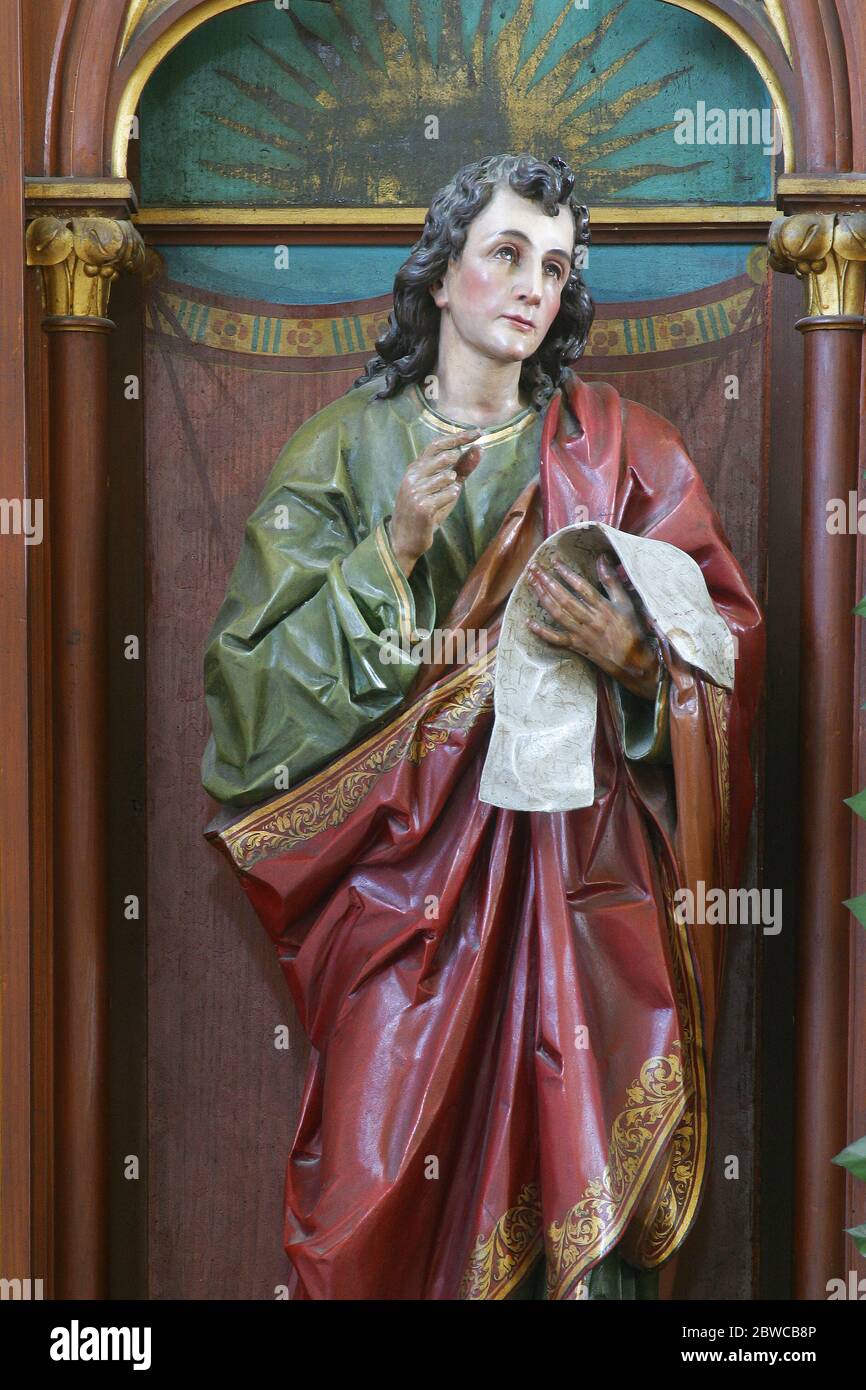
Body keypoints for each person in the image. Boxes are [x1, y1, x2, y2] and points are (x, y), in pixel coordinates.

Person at [202, 153, 764, 1300]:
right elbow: (249, 698)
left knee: (576, 1196)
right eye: (505, 254)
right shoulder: (343, 452)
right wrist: (392, 553)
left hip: (579, 896)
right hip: (400, 904)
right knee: (370, 1189)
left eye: (553, 268)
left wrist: (638, 666)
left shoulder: (625, 455)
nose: (529, 287)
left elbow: (725, 655)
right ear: (438, 272)